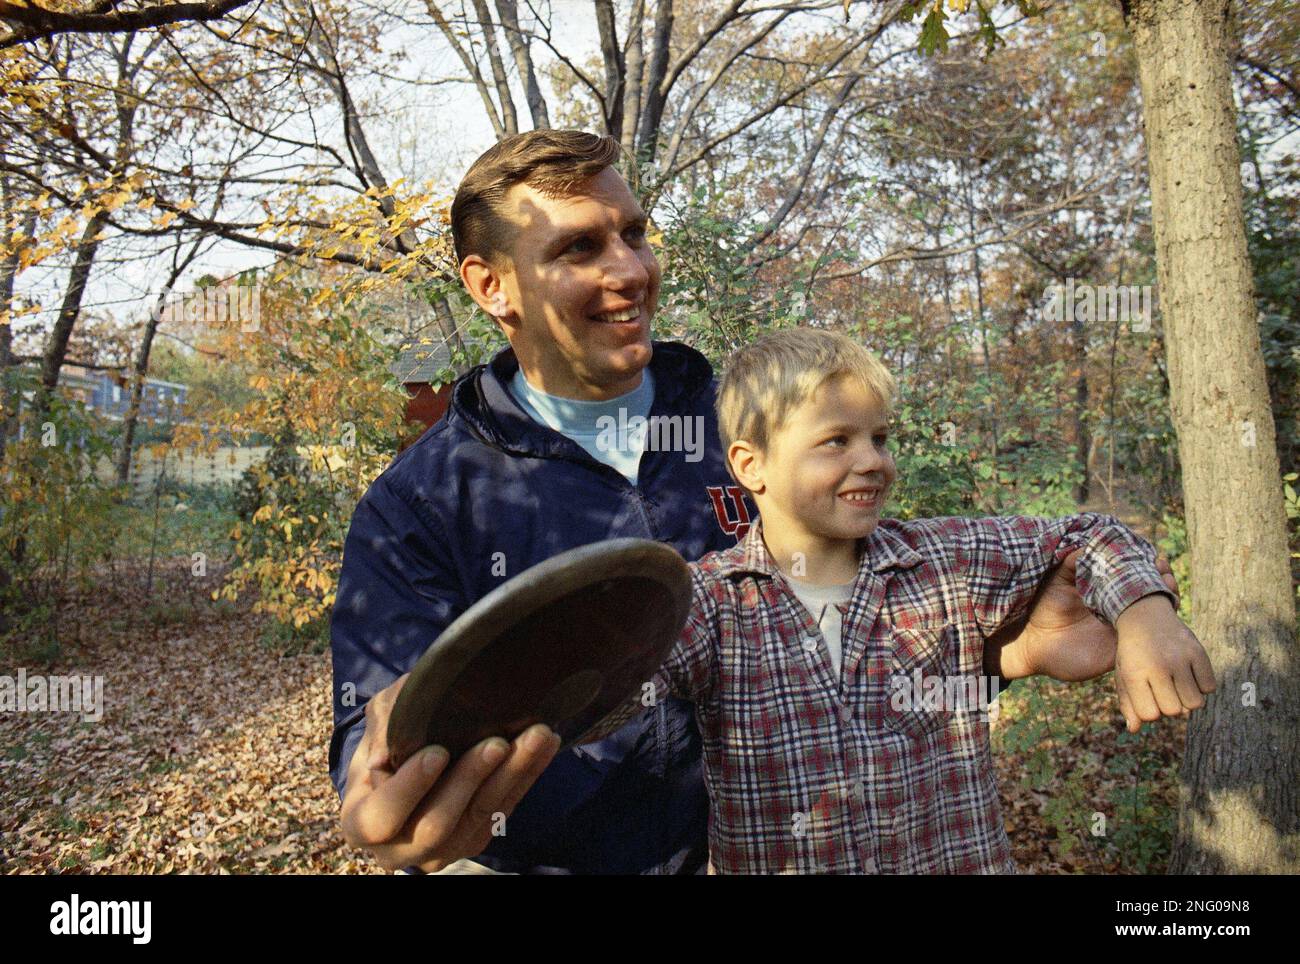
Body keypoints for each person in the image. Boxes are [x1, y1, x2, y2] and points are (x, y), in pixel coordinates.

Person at [330, 129, 1178, 874]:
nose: (630, 269)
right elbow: (383, 740)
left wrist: (1001, 653)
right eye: (579, 249)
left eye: (632, 233)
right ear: (492, 287)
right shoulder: (420, 506)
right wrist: (393, 807)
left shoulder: (751, 424)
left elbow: (859, 605)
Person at [640, 327, 1215, 873]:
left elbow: (1089, 534)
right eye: (836, 440)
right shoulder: (713, 603)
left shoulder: (942, 560)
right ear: (750, 464)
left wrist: (1145, 615)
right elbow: (609, 683)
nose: (873, 461)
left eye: (880, 438)